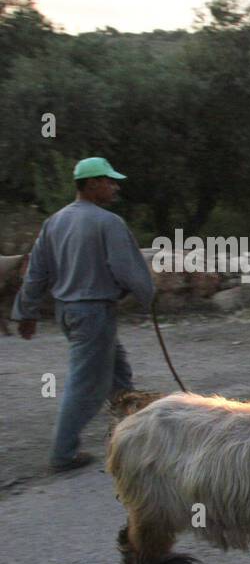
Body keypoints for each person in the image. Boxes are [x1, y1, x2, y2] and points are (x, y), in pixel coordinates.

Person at [12, 157, 155, 472]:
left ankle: (127, 434)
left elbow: (37, 272)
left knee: (118, 372)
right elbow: (127, 269)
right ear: (92, 184)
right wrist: (149, 298)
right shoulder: (108, 222)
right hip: (93, 312)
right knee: (86, 383)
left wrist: (26, 312)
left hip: (68, 313)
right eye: (110, 181)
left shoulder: (55, 221)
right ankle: (63, 454)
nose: (115, 186)